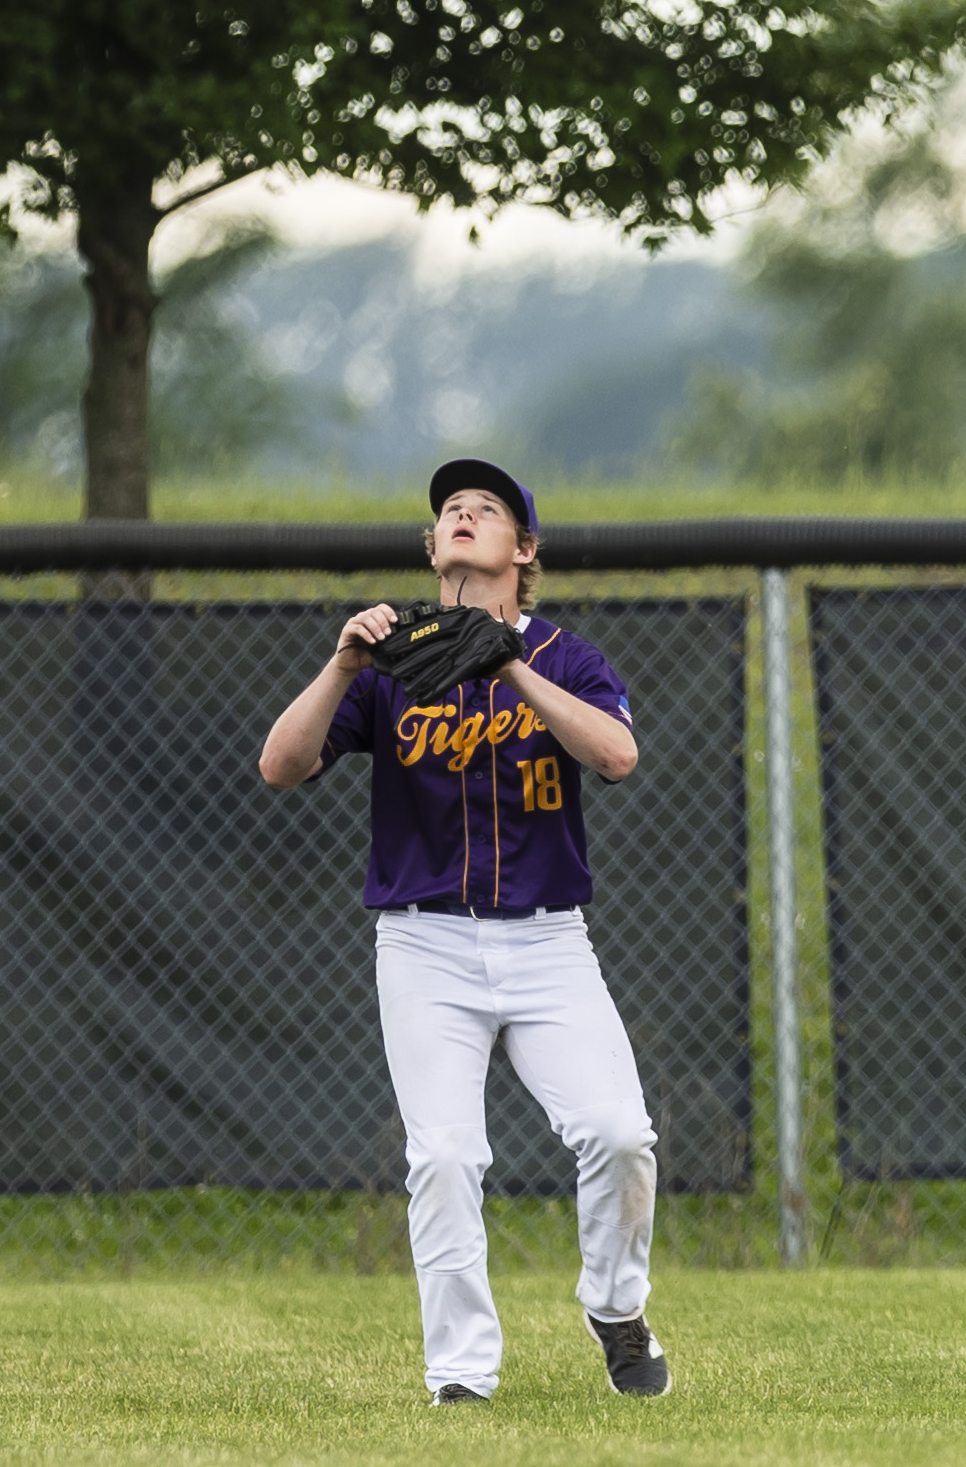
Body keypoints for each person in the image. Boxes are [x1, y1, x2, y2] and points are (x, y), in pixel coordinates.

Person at [256, 457, 669, 1404]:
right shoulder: (391, 656)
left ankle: (616, 1308)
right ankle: (462, 1376)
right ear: (433, 545)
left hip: (546, 940)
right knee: (443, 1155)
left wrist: (507, 659)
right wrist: (344, 662)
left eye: (488, 509)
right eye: (451, 508)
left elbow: (616, 753)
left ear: (524, 550)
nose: (464, 515)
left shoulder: (566, 656)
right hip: (425, 943)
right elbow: (281, 765)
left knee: (618, 1132)